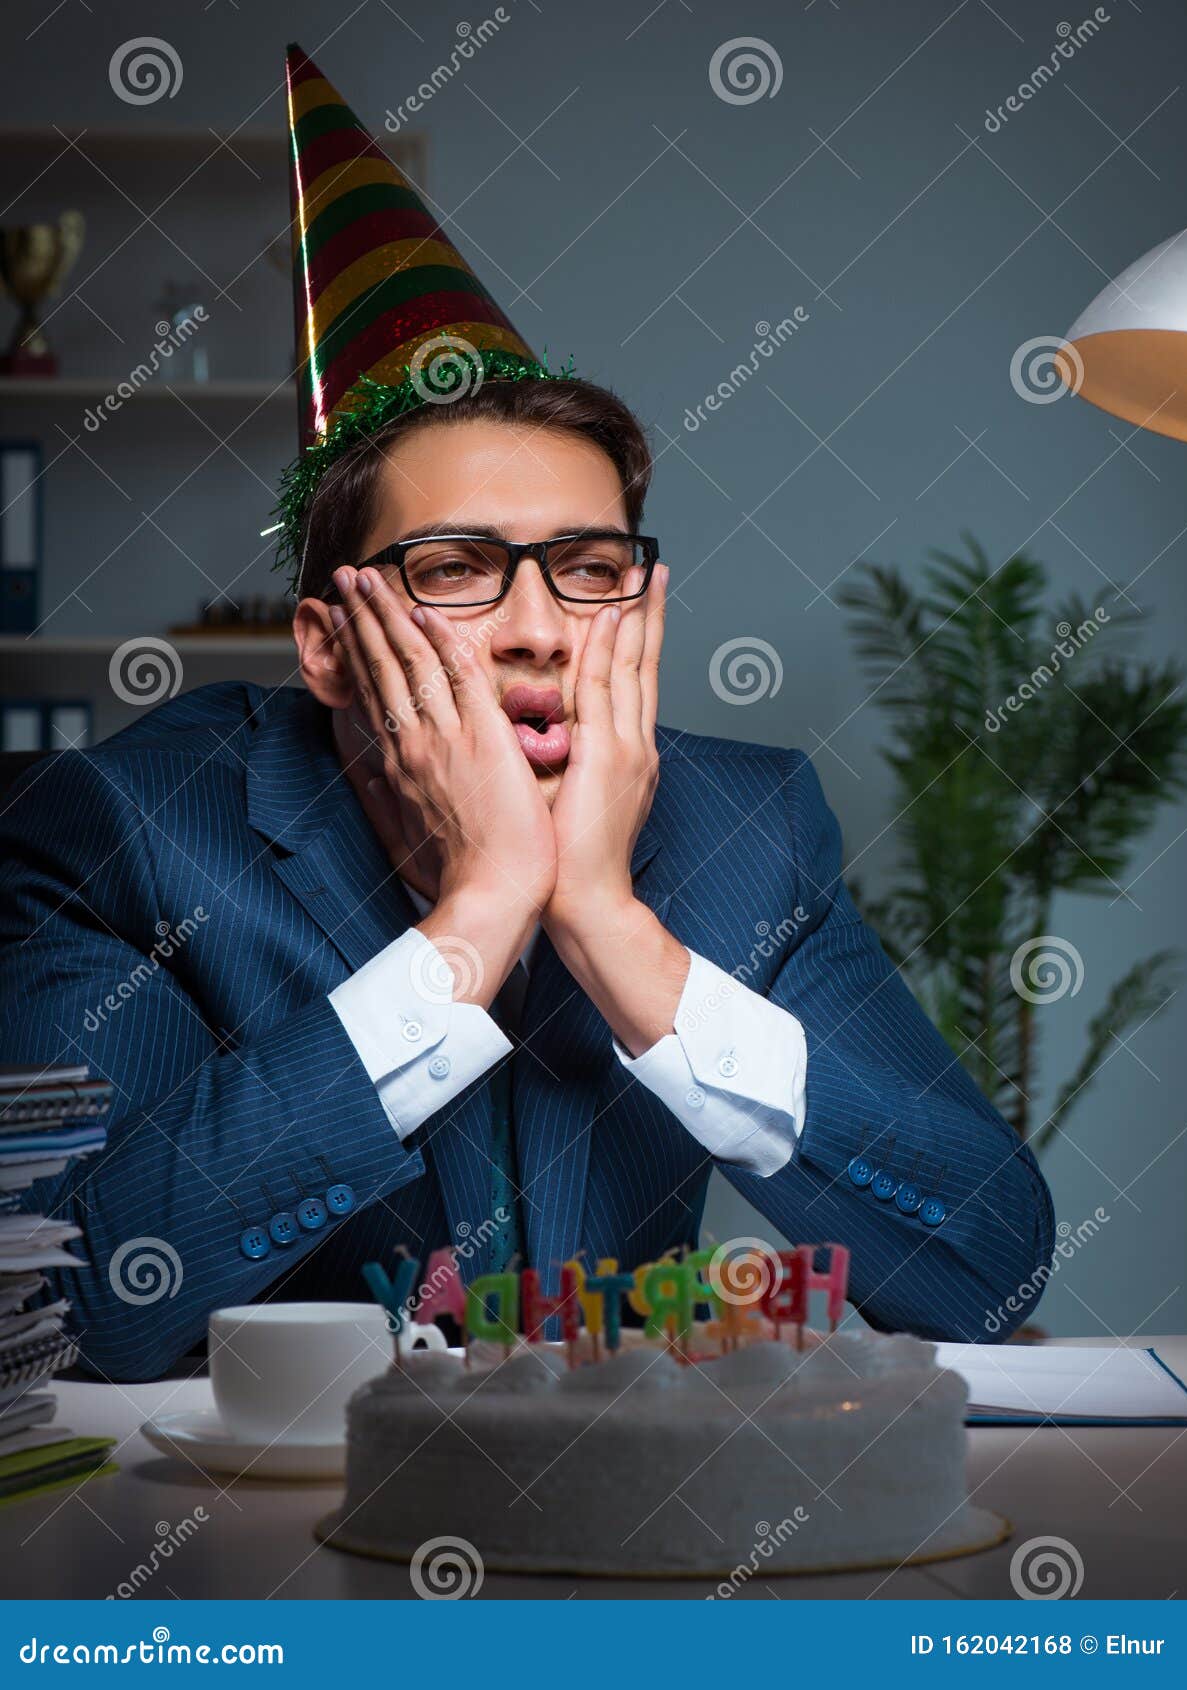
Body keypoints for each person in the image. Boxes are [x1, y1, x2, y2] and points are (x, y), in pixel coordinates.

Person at [0, 46, 1052, 1382]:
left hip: (625, 1549)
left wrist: (616, 929)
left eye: (590, 570)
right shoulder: (131, 829)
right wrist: (475, 917)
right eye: (452, 569)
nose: (543, 628)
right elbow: (68, 1316)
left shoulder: (745, 828)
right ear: (326, 643)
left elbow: (989, 1260)